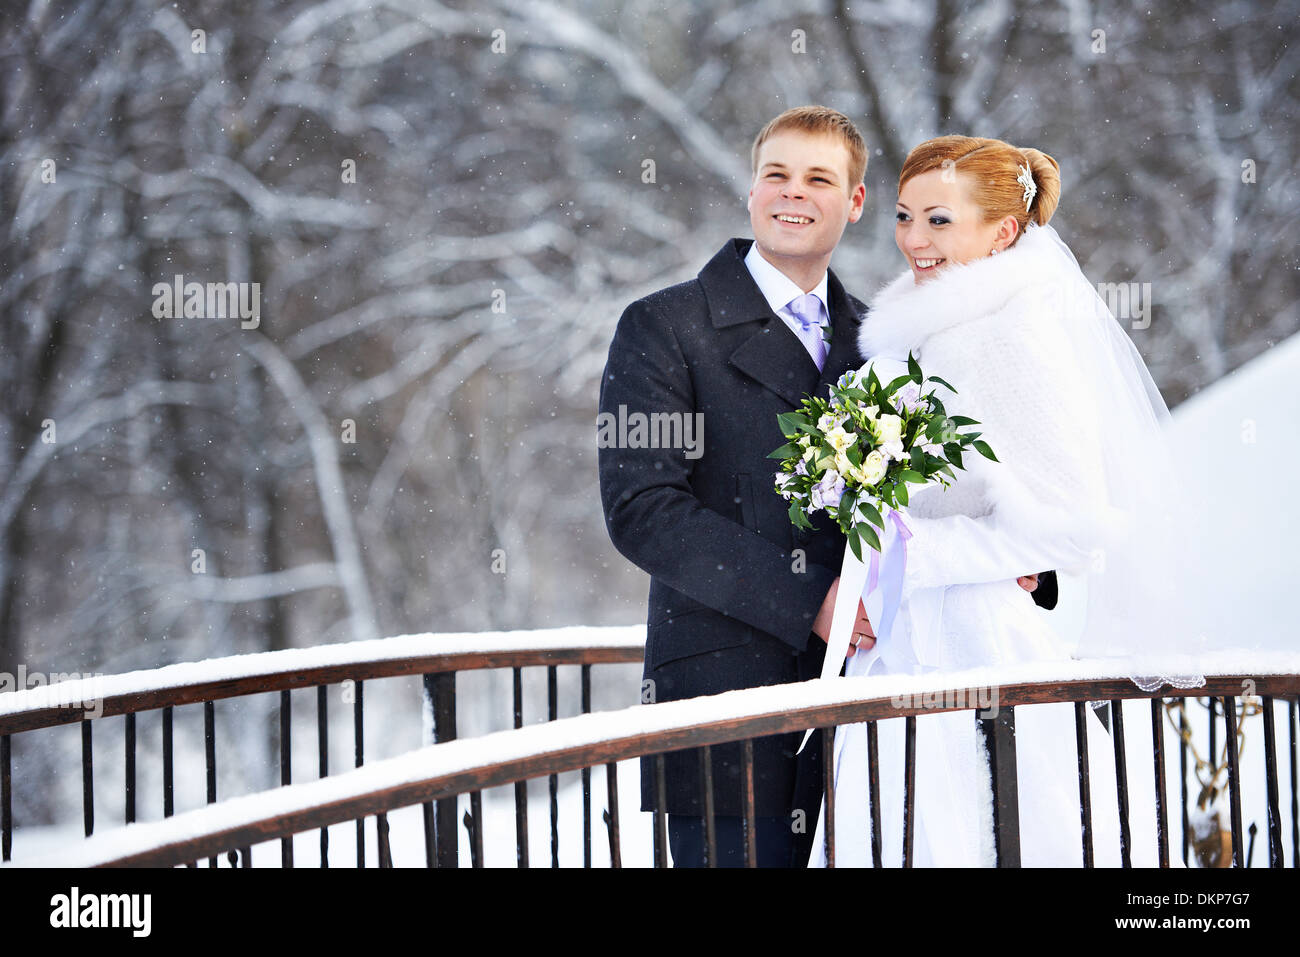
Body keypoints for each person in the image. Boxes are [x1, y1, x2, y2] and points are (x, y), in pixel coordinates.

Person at [598, 110, 1046, 867]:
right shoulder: (663, 326)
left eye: (818, 178)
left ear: (857, 201)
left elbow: (950, 488)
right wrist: (811, 600)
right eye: (775, 174)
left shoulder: (882, 340)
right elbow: (644, 510)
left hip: (871, 719)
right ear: (750, 192)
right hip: (727, 713)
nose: (792, 193)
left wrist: (1013, 558)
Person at [810, 134, 1204, 867]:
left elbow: (1073, 532)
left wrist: (920, 557)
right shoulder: (918, 340)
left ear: (1004, 231)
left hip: (978, 651)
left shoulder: (1009, 336)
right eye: (904, 216)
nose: (914, 239)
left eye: (938, 220)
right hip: (900, 650)